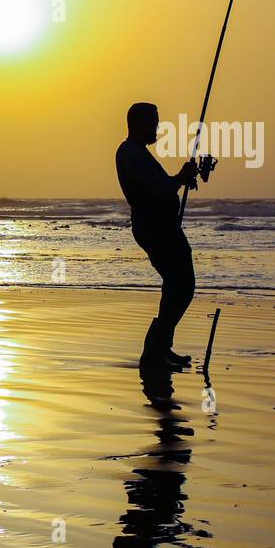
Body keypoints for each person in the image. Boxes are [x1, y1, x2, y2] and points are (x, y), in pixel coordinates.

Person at [116, 102, 199, 366]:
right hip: (156, 229)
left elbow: (161, 188)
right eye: (155, 121)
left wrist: (180, 179)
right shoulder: (132, 154)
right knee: (183, 286)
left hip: (160, 227)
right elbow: (159, 190)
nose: (158, 127)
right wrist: (180, 177)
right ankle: (155, 350)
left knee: (174, 285)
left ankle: (161, 348)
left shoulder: (136, 153)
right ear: (142, 123)